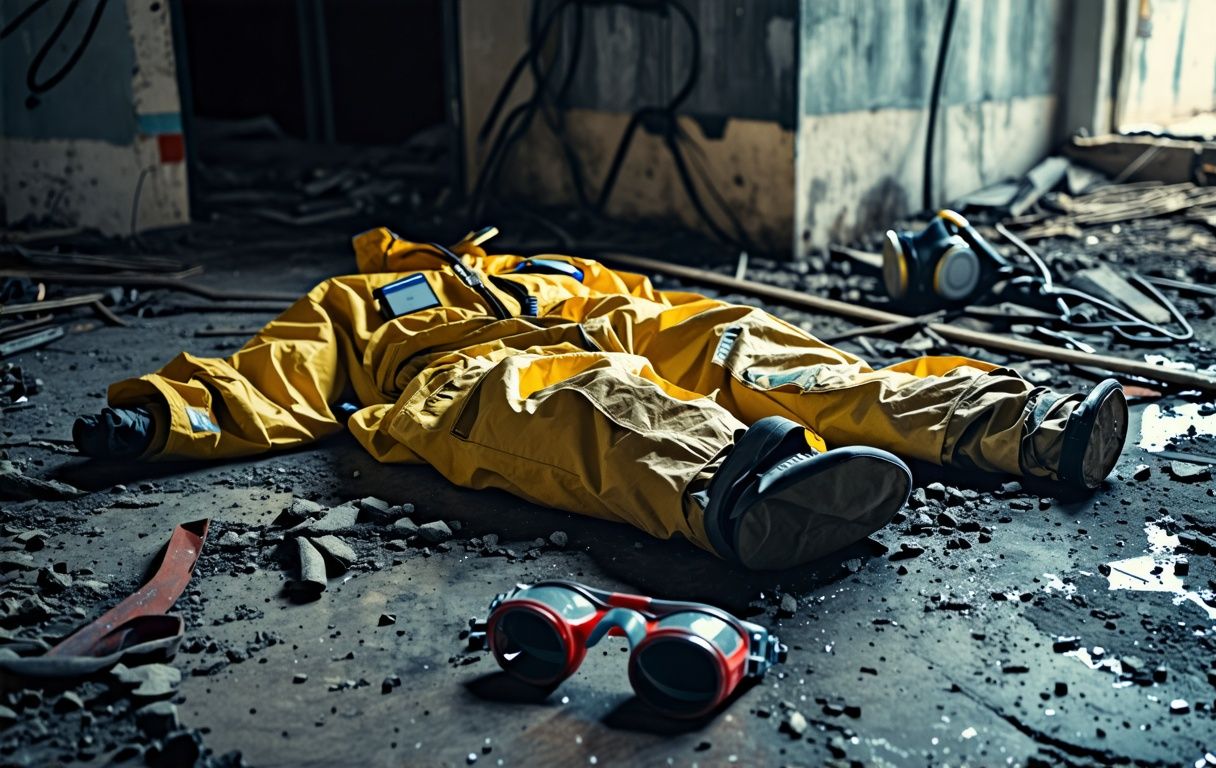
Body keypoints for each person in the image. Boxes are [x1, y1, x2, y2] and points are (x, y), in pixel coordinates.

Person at [73, 227, 1128, 570]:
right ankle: (739, 486)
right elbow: (277, 374)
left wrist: (700, 329)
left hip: (610, 318)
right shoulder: (358, 298)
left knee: (754, 344)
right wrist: (159, 417)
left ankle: (1017, 427)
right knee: (584, 400)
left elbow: (651, 305)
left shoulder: (539, 261)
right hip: (464, 368)